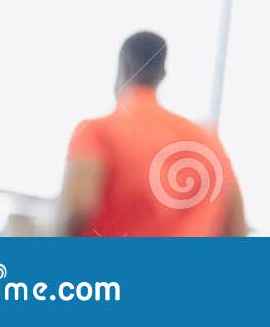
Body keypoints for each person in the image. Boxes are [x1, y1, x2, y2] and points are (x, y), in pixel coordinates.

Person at [59, 31, 246, 236]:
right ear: (163, 73)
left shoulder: (98, 131)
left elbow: (77, 209)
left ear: (124, 66)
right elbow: (236, 227)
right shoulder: (209, 143)